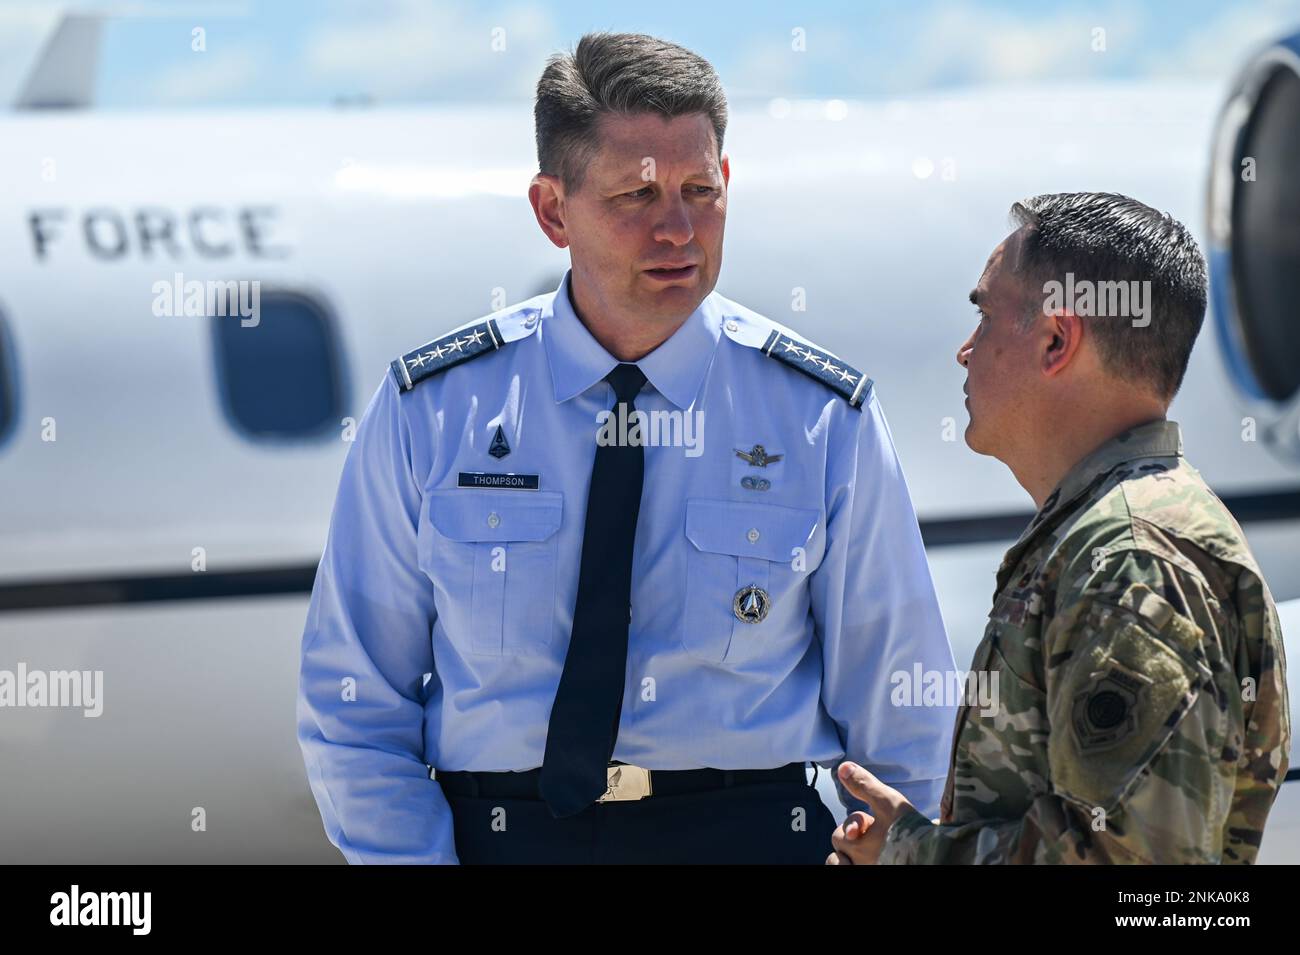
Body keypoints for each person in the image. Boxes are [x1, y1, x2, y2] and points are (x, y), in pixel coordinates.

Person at [297, 31, 955, 864]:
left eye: (700, 190)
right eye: (636, 199)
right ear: (551, 210)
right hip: (507, 837)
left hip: (753, 835)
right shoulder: (432, 410)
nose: (678, 229)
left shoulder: (823, 418)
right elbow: (351, 701)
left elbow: (907, 713)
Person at [827, 192, 1291, 865]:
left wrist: (911, 856)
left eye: (984, 317)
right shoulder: (1114, 539)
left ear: (1055, 340)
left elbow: (1133, 873)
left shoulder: (1130, 560)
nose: (966, 351)